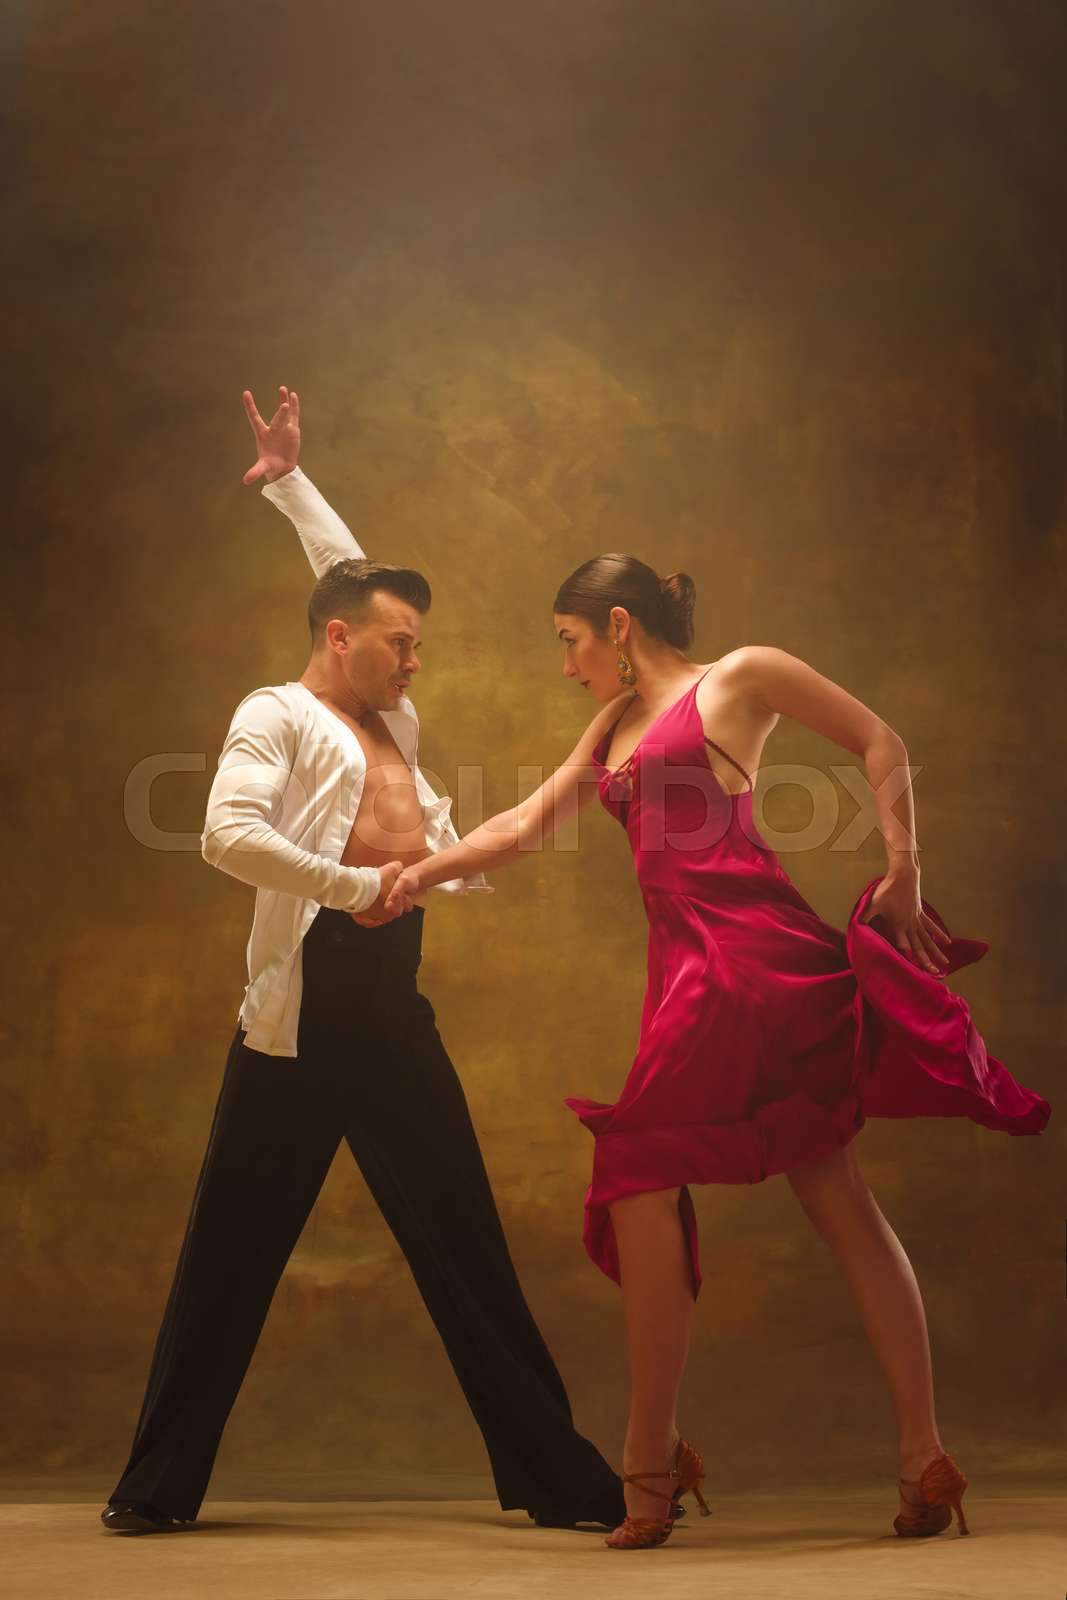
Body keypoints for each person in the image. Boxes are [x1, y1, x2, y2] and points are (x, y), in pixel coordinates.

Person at [376, 552, 1051, 1550]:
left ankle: (650, 1464)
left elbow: (880, 738)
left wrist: (903, 868)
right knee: (833, 1195)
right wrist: (419, 873)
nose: (565, 667)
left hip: (737, 964)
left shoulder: (738, 676)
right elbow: (521, 825)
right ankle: (921, 1459)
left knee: (641, 1177)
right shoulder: (612, 724)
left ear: (616, 625)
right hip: (702, 976)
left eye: (569, 643)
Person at [100, 386, 629, 1535]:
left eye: (418, 644)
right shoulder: (275, 714)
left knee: (466, 1243)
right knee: (229, 1257)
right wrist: (353, 888)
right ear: (338, 640)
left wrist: (290, 481)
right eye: (401, 643)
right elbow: (225, 836)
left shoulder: (389, 713)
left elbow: (347, 577)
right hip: (303, 1011)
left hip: (392, 1007)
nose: (415, 661)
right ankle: (152, 1489)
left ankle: (558, 1477)